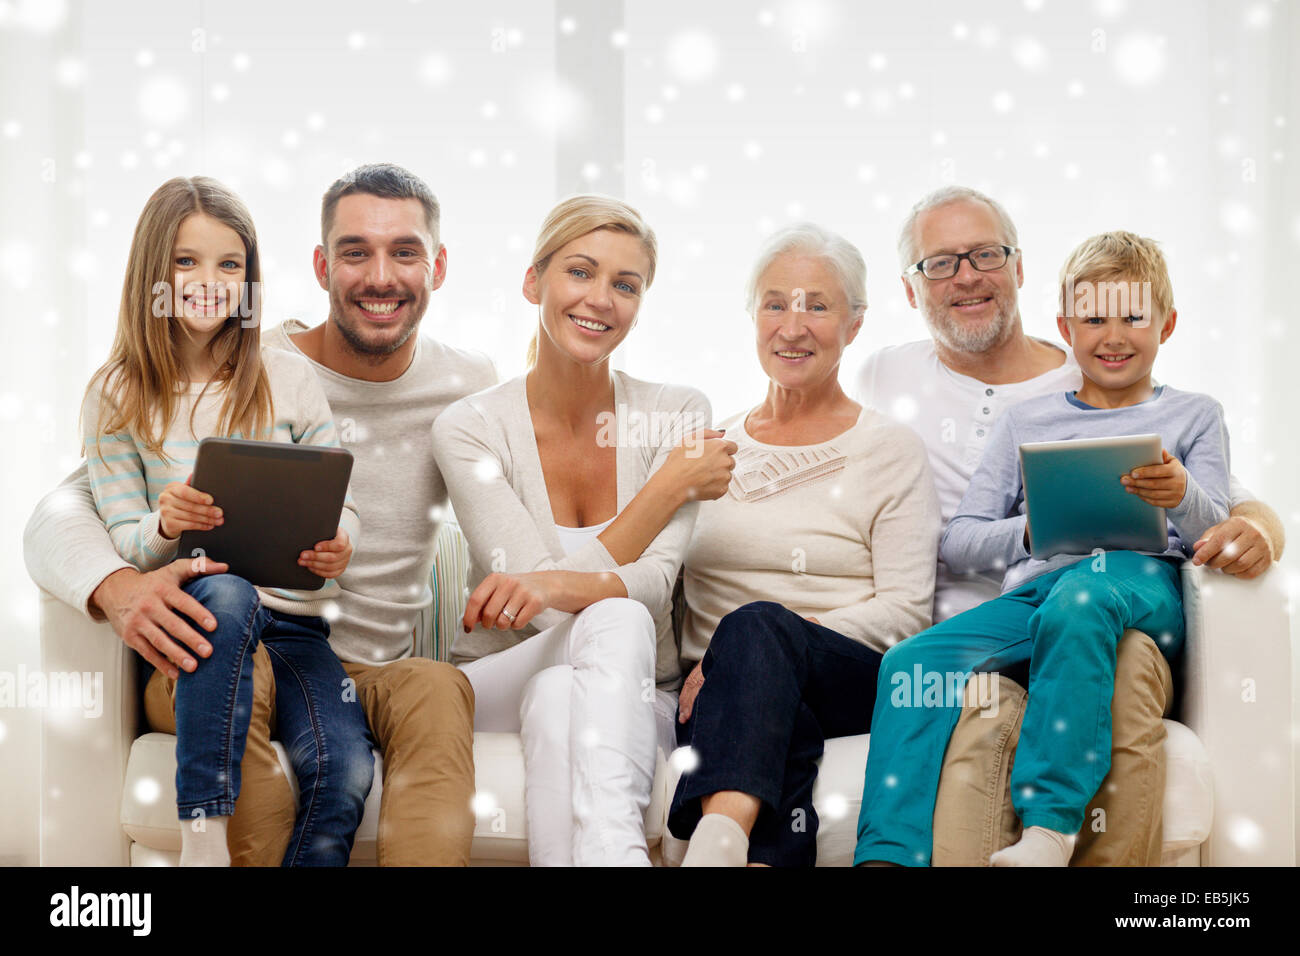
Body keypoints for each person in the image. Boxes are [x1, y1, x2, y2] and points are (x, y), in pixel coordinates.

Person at [25, 163, 497, 865]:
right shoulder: (172, 380)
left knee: (374, 744)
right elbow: (65, 511)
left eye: (405, 252)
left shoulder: (448, 386)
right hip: (212, 636)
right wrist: (139, 558)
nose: (380, 277)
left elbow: (356, 504)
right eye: (355, 251)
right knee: (229, 607)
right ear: (319, 264)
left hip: (315, 640)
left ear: (439, 266)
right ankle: (205, 834)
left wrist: (341, 539)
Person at [853, 185, 1285, 865]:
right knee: (913, 661)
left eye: (1135, 320)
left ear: (1167, 326)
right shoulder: (1029, 420)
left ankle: (1048, 829)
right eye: (1093, 321)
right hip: (1038, 589)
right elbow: (963, 541)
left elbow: (1216, 527)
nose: (1113, 338)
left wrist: (1181, 494)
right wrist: (1031, 530)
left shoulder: (1196, 415)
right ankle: (886, 855)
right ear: (1066, 324)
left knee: (1084, 598)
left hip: (1139, 587)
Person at [431, 194, 737, 866]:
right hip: (499, 676)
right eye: (580, 272)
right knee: (613, 620)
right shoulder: (471, 427)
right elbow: (532, 608)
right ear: (533, 281)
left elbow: (655, 587)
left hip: (630, 691)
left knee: (563, 692)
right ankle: (616, 850)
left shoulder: (677, 411)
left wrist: (548, 585)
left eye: (625, 285)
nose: (601, 299)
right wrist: (667, 487)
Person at [79, 176, 367, 866]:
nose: (210, 281)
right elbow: (122, 539)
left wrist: (340, 542)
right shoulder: (116, 396)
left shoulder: (287, 377)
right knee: (228, 589)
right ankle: (202, 838)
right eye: (186, 261)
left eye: (229, 264)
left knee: (345, 769)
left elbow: (338, 494)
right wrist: (167, 526)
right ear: (153, 270)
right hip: (202, 617)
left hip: (295, 626)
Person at [666, 223, 941, 867]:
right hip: (721, 694)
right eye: (775, 303)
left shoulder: (888, 449)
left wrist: (761, 642)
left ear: (855, 323)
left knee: (758, 628)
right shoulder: (710, 449)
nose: (793, 326)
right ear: (752, 316)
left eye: (817, 305)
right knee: (770, 705)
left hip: (847, 673)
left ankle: (711, 847)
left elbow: (905, 614)